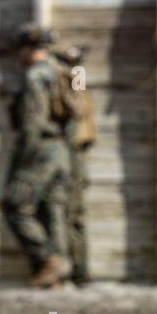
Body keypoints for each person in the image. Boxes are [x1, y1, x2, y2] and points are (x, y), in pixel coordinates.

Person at [3, 24, 72, 289]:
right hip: (60, 149)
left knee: (15, 203)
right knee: (53, 210)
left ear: (30, 49)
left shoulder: (34, 77)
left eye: (21, 50)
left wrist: (23, 156)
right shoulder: (61, 72)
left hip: (40, 148)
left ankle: (49, 259)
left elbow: (32, 121)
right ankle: (58, 276)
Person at [54, 43, 97, 286]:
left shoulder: (75, 82)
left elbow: (78, 112)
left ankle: (78, 272)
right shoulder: (75, 81)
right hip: (70, 156)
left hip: (72, 158)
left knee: (72, 215)